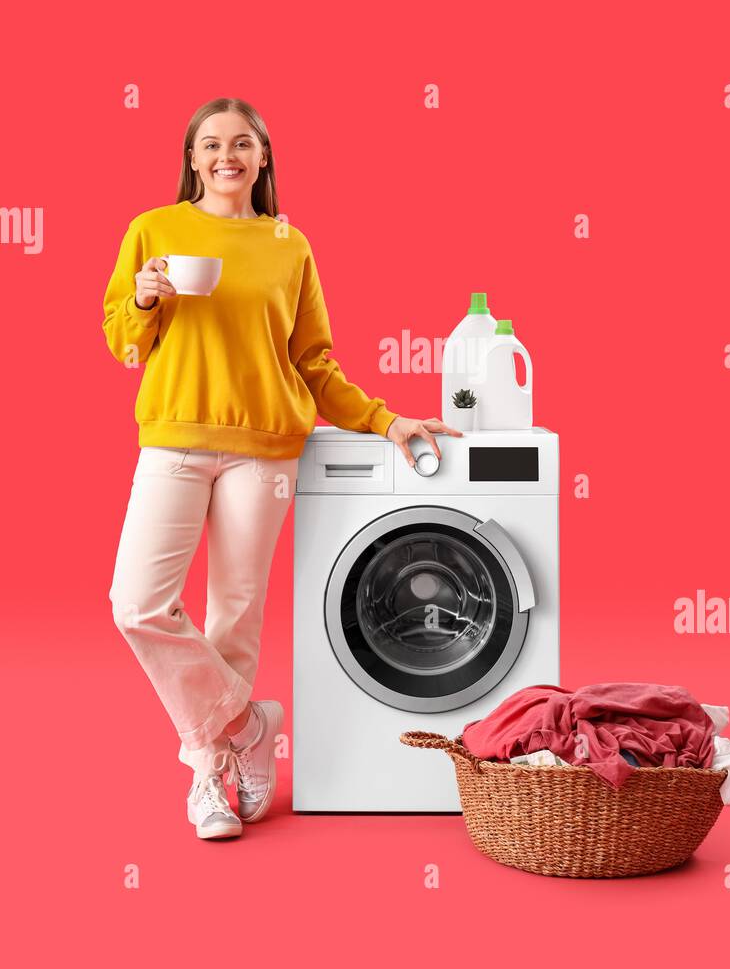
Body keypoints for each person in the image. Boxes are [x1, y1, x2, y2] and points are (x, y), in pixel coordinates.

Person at [103, 96, 461, 841]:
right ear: (192, 159)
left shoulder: (289, 246)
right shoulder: (154, 231)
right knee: (137, 603)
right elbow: (121, 341)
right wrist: (142, 298)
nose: (226, 156)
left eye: (242, 144)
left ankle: (212, 777)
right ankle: (244, 723)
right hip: (174, 438)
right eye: (210, 145)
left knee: (235, 613)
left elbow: (315, 363)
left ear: (263, 158)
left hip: (266, 449)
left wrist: (387, 419)